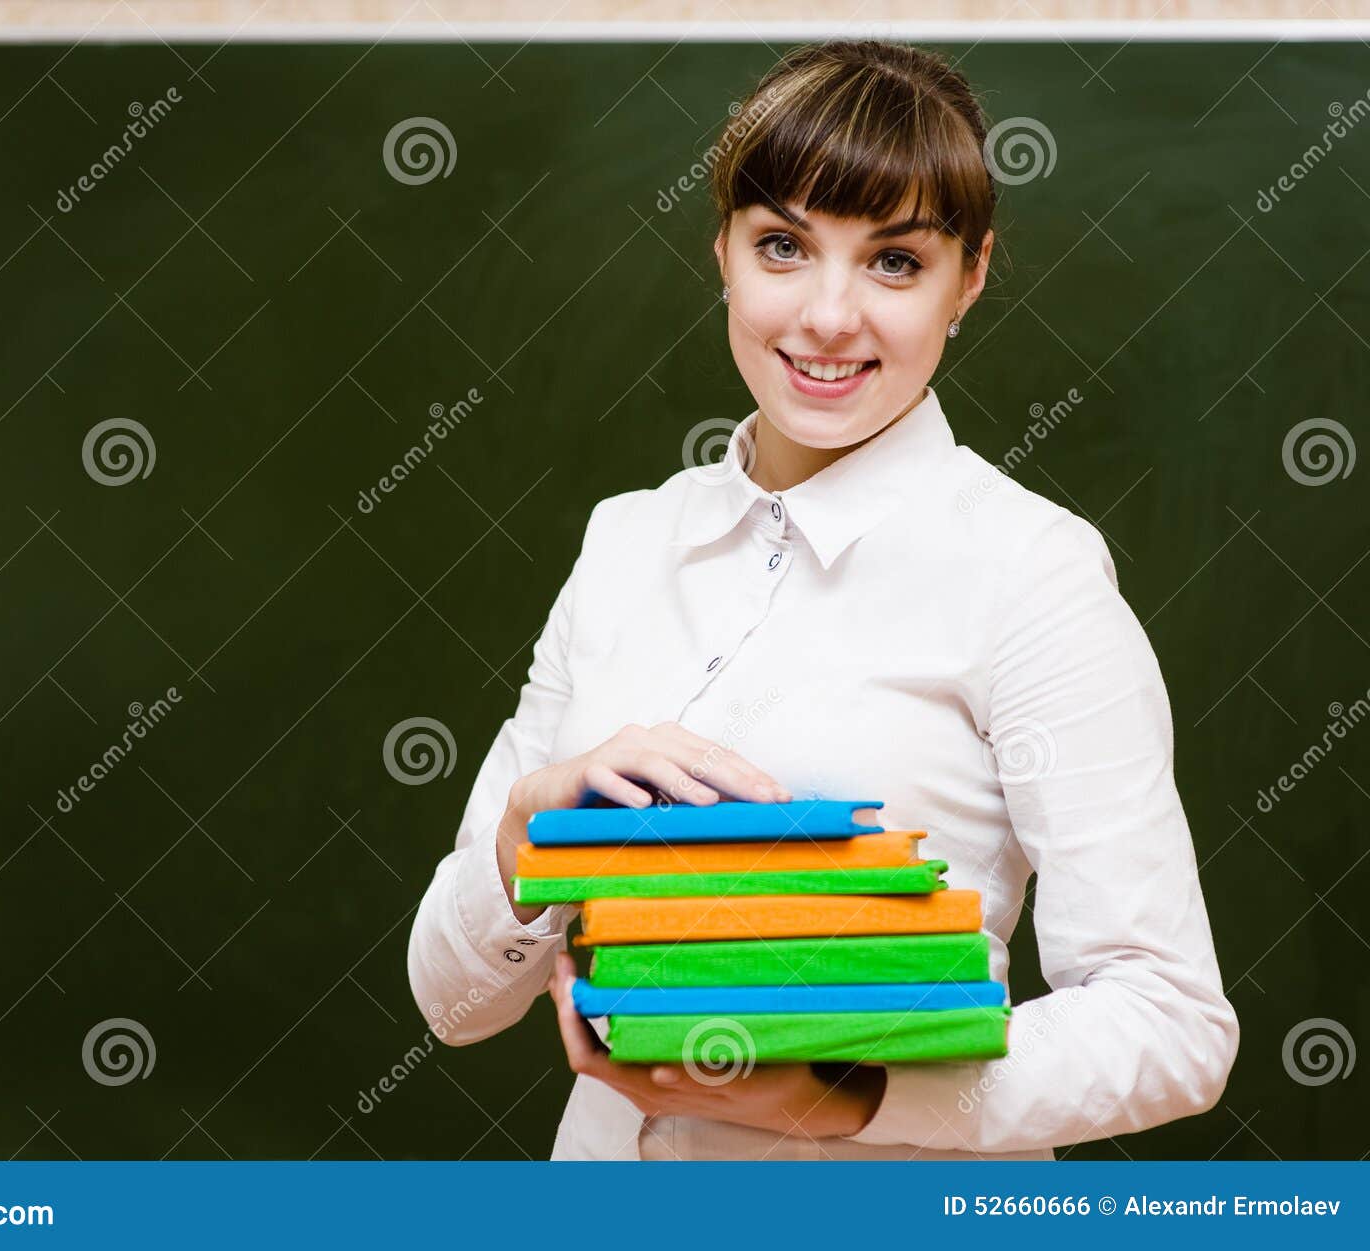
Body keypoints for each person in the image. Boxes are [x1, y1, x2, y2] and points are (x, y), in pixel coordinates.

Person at [406, 38, 1238, 1161]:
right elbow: (455, 1009)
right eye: (783, 246)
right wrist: (523, 834)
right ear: (724, 252)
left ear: (970, 277)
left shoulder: (1033, 574)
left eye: (894, 262)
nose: (828, 318)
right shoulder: (626, 542)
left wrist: (847, 1095)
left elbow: (1171, 1023)